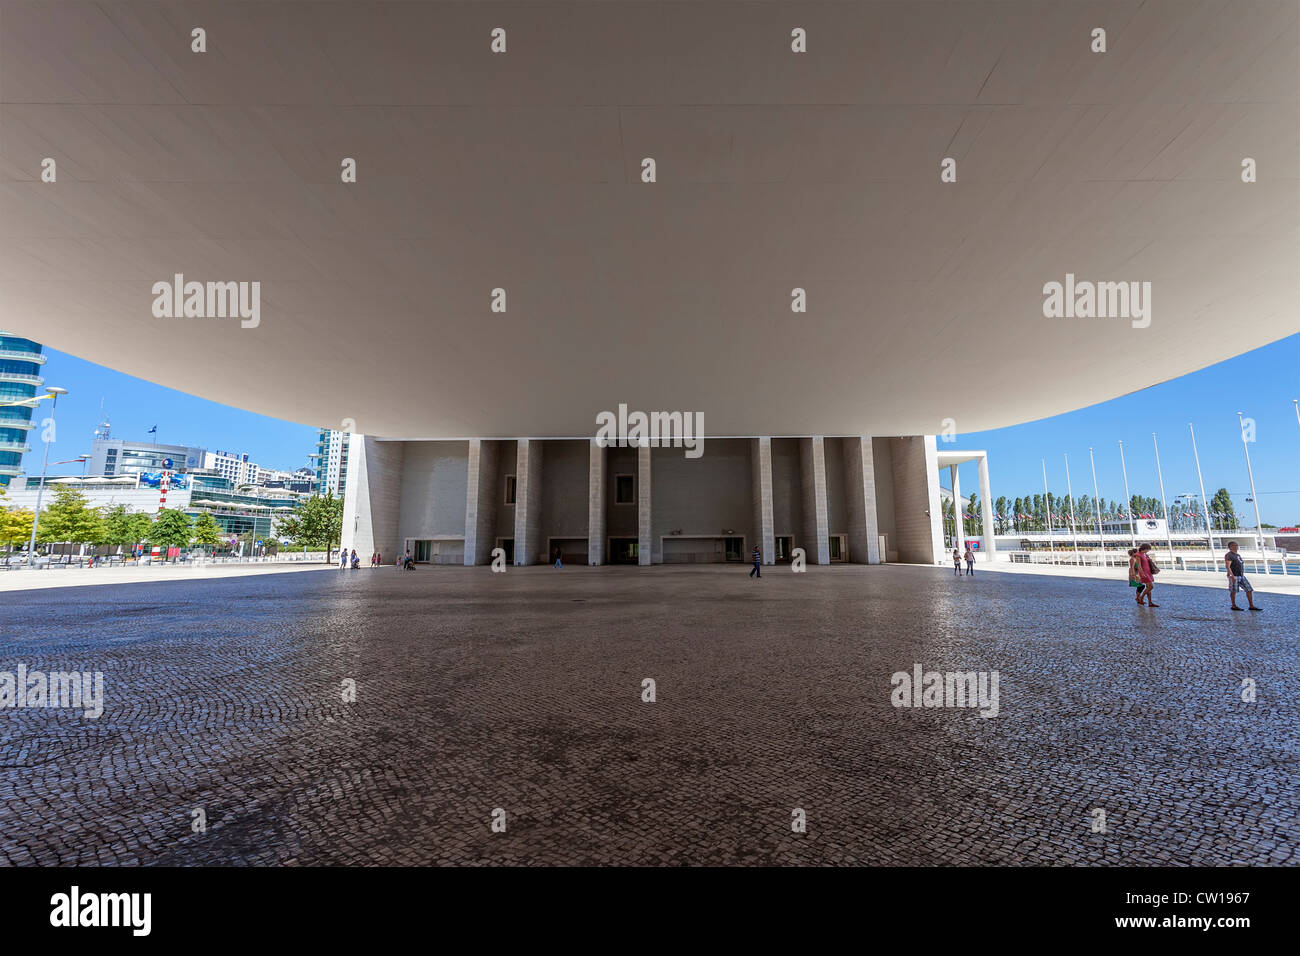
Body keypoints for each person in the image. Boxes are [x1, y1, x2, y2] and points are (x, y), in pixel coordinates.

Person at [1224, 541, 1261, 611]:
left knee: (1249, 589)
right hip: (1234, 575)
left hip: (1241, 575)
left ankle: (1251, 606)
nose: (1236, 547)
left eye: (1236, 545)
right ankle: (1234, 606)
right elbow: (1227, 566)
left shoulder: (1237, 555)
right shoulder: (1229, 555)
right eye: (1233, 545)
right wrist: (1232, 576)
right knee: (1233, 591)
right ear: (1229, 547)